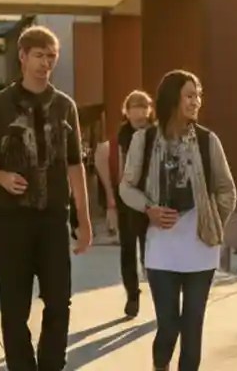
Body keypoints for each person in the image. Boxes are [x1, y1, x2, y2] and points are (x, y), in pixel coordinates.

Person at [0, 25, 93, 371]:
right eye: (39, 55)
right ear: (22, 57)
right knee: (14, 306)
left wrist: (83, 220)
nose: (45, 63)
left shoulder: (65, 106)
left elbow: (74, 165)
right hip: (11, 220)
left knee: (59, 302)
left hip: (54, 218)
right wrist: (2, 178)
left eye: (51, 56)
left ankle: (52, 365)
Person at [120, 70, 237, 371]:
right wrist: (149, 209)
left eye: (198, 95)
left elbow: (227, 190)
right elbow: (126, 186)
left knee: (193, 326)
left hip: (200, 248)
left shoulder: (208, 141)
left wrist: (211, 219)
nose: (196, 101)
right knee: (169, 325)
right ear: (173, 98)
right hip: (161, 249)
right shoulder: (143, 140)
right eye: (189, 95)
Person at [95, 90, 152, 318]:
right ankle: (132, 295)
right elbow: (111, 173)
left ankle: (160, 294)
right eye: (134, 108)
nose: (139, 112)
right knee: (128, 250)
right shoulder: (118, 140)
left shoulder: (157, 136)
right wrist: (111, 202)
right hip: (126, 203)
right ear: (126, 112)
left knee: (153, 252)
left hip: (151, 202)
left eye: (143, 107)